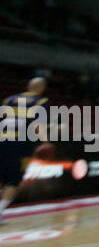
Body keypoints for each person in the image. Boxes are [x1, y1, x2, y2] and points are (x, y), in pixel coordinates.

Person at [0, 77, 48, 224]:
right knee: (13, 180)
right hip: (21, 145)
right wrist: (45, 142)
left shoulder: (9, 100)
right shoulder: (40, 102)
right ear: (41, 88)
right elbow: (39, 125)